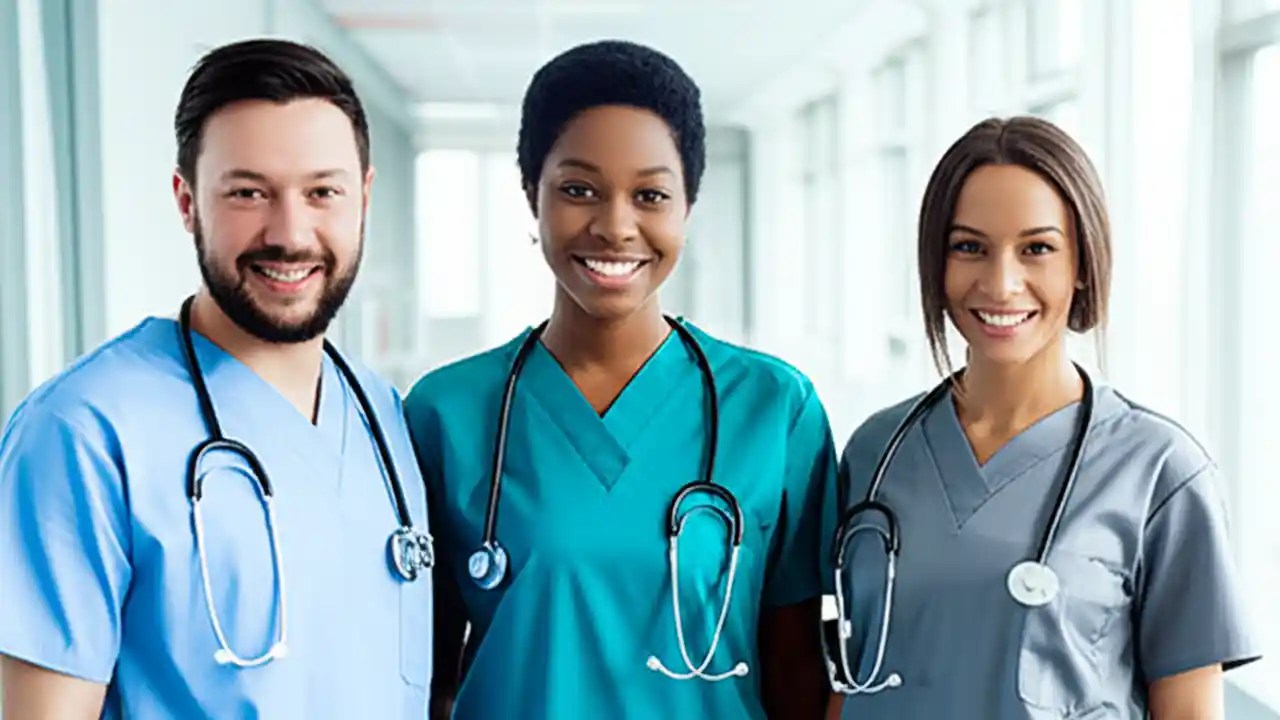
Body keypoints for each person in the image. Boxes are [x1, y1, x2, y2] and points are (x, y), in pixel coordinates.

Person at [0, 39, 433, 718]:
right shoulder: (84, 429)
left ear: (364, 197)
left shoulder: (382, 416)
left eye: (323, 192)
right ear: (186, 200)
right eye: (249, 193)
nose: (290, 233)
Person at [404, 40, 836, 719]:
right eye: (578, 190)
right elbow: (420, 677)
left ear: (687, 206)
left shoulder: (774, 409)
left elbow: (796, 669)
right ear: (531, 196)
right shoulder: (446, 413)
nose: (614, 226)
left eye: (651, 194)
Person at [825, 116, 1260, 719]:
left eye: (1037, 249)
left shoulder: (1159, 472)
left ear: (1082, 264)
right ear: (937, 261)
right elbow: (846, 681)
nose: (1001, 283)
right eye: (969, 247)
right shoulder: (877, 452)